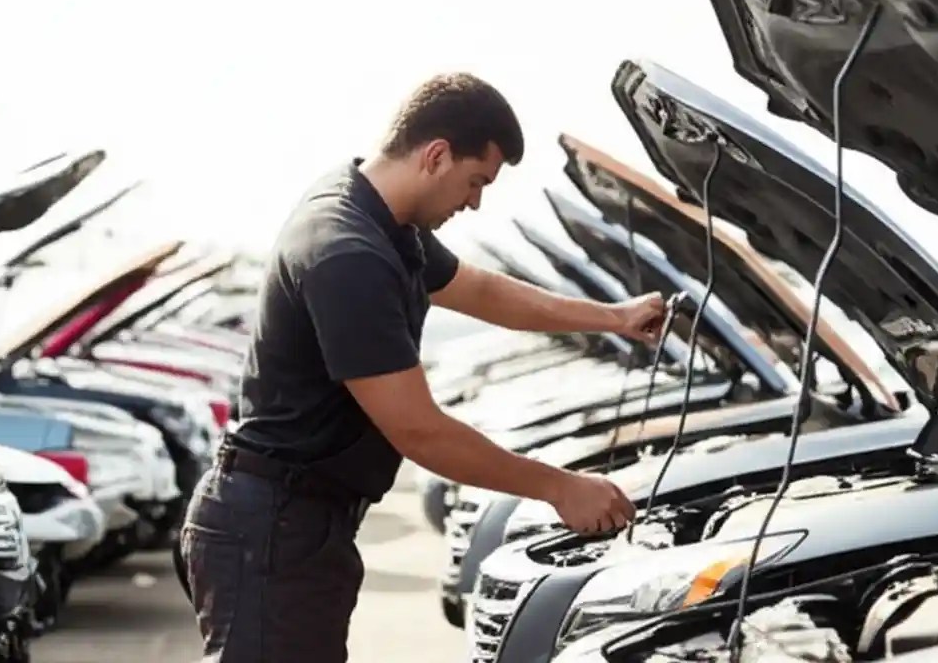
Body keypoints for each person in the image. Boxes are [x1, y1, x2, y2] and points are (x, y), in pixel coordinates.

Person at [180, 72, 666, 662]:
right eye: (475, 181)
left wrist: (611, 318)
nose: (474, 201)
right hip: (273, 529)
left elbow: (482, 291)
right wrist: (559, 488)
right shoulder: (347, 252)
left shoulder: (381, 217)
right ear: (436, 155)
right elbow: (418, 430)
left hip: (294, 522)